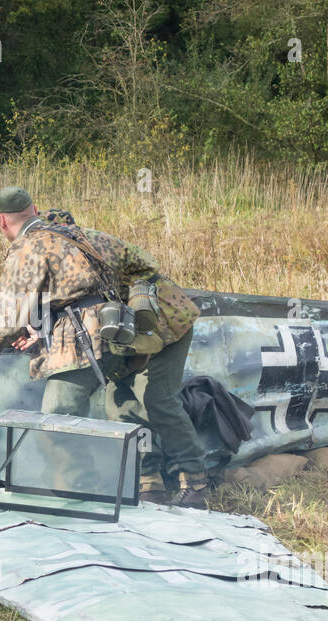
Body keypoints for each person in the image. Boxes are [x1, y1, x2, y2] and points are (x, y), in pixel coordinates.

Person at [40, 209, 209, 508]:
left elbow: (145, 274)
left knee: (159, 400)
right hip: (129, 340)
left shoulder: (98, 254)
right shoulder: (63, 273)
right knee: (120, 404)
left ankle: (195, 481)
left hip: (169, 324)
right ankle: (148, 483)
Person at [0, 187, 118, 416]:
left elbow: (11, 319)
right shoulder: (75, 235)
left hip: (80, 342)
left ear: (1, 220)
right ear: (36, 210)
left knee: (56, 426)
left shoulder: (28, 245)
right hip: (116, 328)